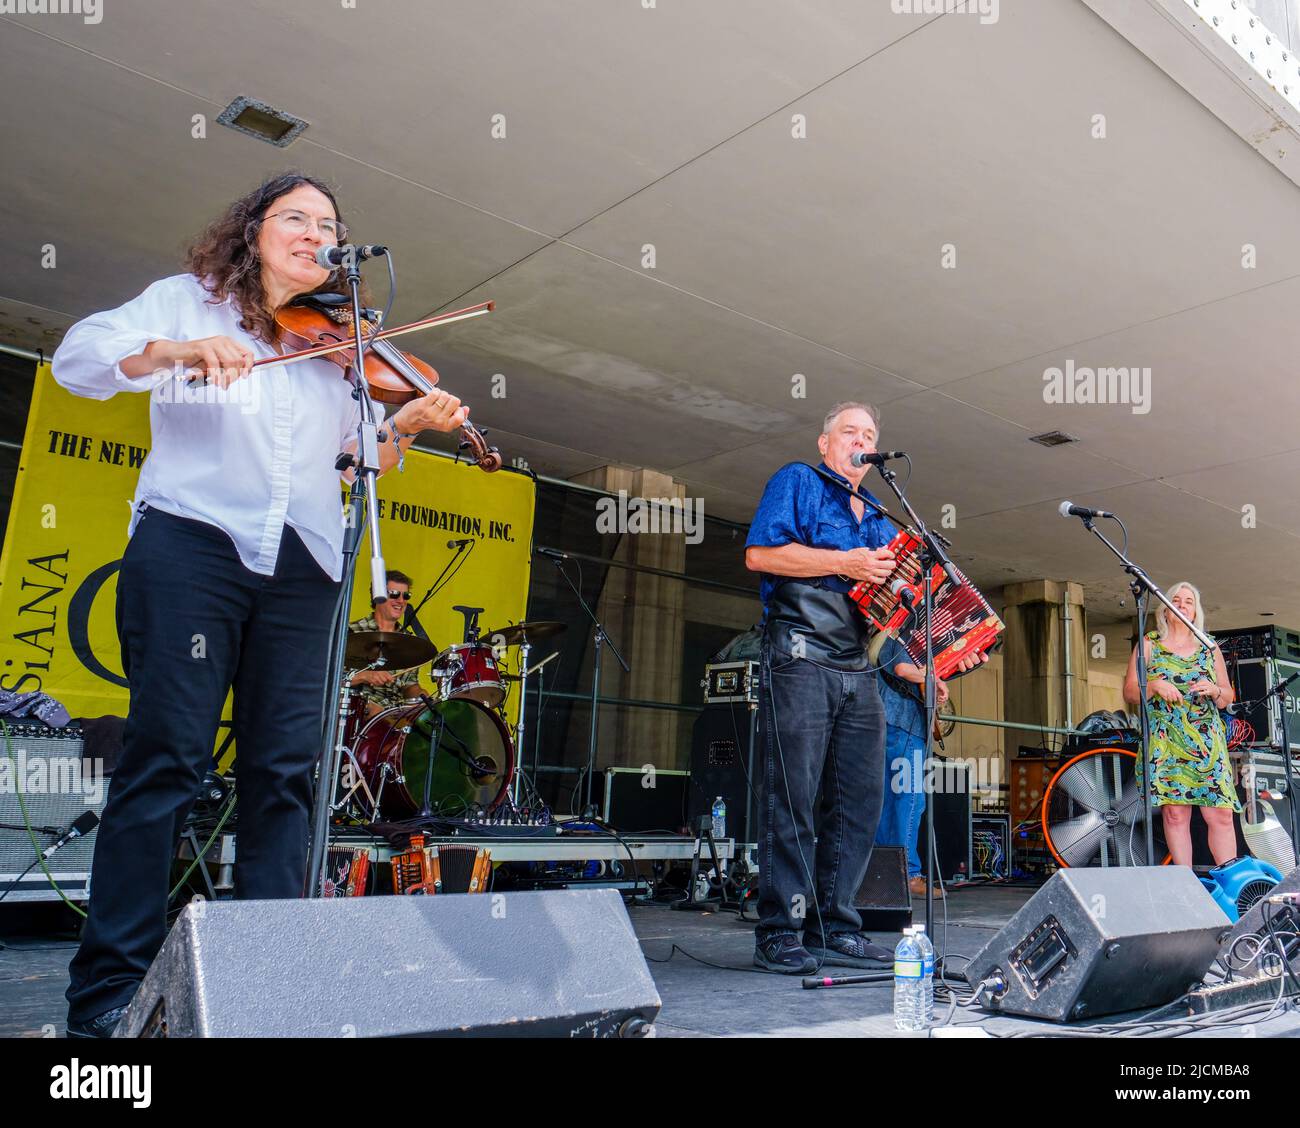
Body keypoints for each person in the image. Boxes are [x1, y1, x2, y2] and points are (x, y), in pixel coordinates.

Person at [52, 172, 469, 1038]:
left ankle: (272, 980)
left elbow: (360, 463)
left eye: (329, 225)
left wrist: (404, 429)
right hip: (193, 543)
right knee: (166, 758)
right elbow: (81, 360)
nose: (315, 233)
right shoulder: (185, 300)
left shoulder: (342, 348)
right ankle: (111, 991)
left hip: (305, 562)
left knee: (286, 773)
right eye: (297, 218)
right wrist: (175, 352)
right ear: (254, 229)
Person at [743, 402, 898, 974]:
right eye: (850, 432)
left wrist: (947, 633)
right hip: (801, 653)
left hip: (858, 666)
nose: (862, 440)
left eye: (871, 435)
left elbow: (885, 599)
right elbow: (761, 555)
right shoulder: (798, 480)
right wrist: (847, 563)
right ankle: (779, 930)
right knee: (794, 796)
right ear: (825, 443)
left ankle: (835, 925)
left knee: (860, 803)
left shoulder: (882, 514)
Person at [1123, 581, 1239, 867]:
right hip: (1166, 740)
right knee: (1175, 815)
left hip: (1207, 741)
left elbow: (1228, 695)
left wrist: (1214, 690)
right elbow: (1129, 692)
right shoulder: (1149, 644)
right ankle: (1185, 885)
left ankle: (1232, 884)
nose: (1183, 604)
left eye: (1189, 601)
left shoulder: (1209, 647)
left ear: (1195, 610)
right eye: (1177, 599)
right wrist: (1154, 685)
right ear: (1165, 609)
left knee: (1220, 814)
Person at [874, 637, 950, 899]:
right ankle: (909, 873)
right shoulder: (910, 631)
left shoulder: (895, 632)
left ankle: (885, 873)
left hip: (890, 722)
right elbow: (903, 670)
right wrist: (936, 678)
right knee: (912, 800)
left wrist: (934, 689)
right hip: (904, 723)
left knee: (888, 801)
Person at [348, 569, 425, 717]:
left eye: (406, 595)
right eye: (395, 594)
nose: (401, 601)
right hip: (358, 711)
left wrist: (420, 696)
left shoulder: (410, 642)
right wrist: (365, 675)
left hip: (394, 716)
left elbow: (409, 686)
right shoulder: (353, 632)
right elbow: (328, 680)